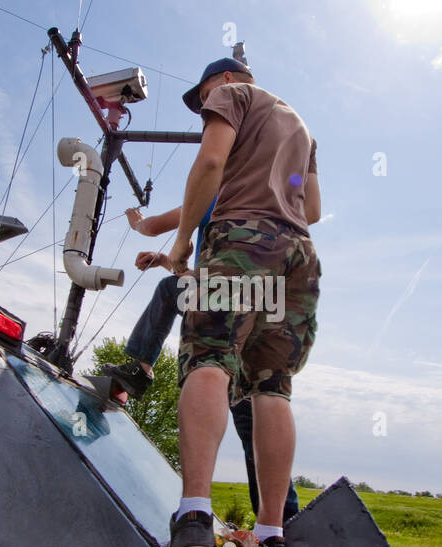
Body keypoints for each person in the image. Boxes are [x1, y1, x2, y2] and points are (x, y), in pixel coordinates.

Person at [165, 57, 321, 547]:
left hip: (241, 239)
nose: (201, 106)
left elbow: (209, 164)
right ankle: (273, 534)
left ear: (227, 79)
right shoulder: (298, 124)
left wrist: (183, 240)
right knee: (271, 386)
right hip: (298, 254)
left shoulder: (234, 97)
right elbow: (313, 207)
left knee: (208, 359)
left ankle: (193, 515)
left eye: (203, 94)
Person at [100, 201, 300, 523]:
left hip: (225, 300)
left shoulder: (213, 192)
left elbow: (154, 229)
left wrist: (137, 223)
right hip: (264, 313)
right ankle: (284, 525)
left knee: (169, 291)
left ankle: (139, 369)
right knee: (251, 422)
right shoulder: (274, 201)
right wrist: (168, 261)